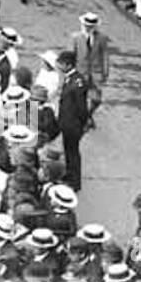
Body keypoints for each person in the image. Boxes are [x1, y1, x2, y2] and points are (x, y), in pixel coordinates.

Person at [56, 50, 101, 192]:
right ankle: (69, 174)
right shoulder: (70, 78)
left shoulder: (77, 82)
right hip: (67, 122)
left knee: (73, 152)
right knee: (68, 150)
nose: (59, 66)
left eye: (61, 64)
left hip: (73, 124)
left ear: (68, 65)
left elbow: (81, 107)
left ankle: (75, 181)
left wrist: (82, 123)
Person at [70, 13, 110, 88]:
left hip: (96, 74)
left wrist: (105, 74)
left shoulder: (102, 38)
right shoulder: (76, 38)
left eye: (91, 26)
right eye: (86, 26)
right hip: (80, 73)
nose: (88, 28)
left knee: (96, 98)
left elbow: (105, 57)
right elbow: (72, 56)